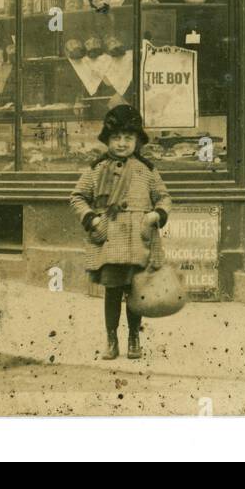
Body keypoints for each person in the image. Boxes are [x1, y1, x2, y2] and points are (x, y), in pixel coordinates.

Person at [69, 104, 172, 361]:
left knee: (136, 292)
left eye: (128, 137)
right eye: (117, 137)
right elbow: (78, 197)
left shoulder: (147, 170)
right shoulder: (96, 169)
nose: (122, 143)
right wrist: (91, 219)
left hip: (139, 239)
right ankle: (111, 339)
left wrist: (156, 215)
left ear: (137, 140)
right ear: (108, 140)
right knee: (113, 291)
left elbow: (164, 197)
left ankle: (134, 338)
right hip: (110, 239)